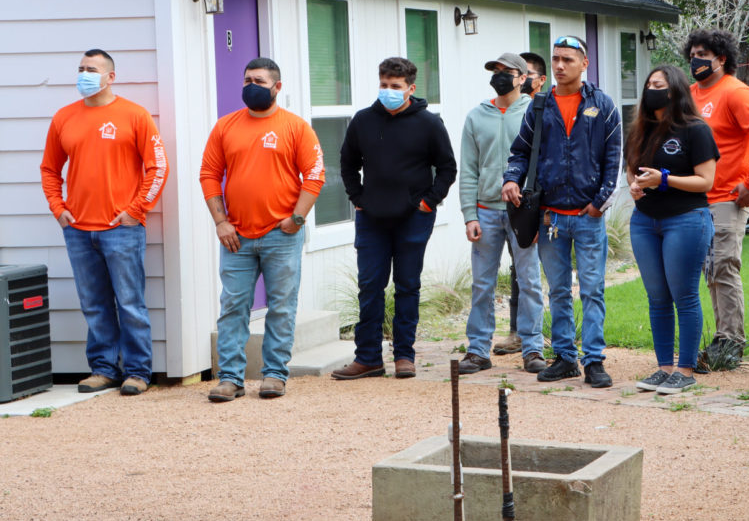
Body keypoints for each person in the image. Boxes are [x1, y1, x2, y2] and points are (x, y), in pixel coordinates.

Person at [40, 49, 170, 396]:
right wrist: (58, 208)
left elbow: (158, 167)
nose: (84, 74)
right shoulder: (64, 117)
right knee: (94, 303)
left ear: (110, 76)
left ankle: (138, 372)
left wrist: (137, 210)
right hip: (79, 230)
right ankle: (103, 369)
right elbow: (50, 169)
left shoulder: (134, 115)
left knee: (130, 302)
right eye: (81, 68)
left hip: (122, 229)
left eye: (92, 69)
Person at [199, 57, 324, 402]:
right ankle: (230, 378)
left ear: (277, 87)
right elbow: (209, 175)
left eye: (259, 80)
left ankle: (274, 375)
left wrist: (296, 219)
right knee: (233, 307)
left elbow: (314, 176)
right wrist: (221, 221)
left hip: (281, 234)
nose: (251, 86)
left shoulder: (296, 128)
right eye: (246, 80)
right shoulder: (225, 127)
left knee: (281, 306)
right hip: (235, 236)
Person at [502, 36, 621, 388]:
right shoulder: (539, 105)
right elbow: (520, 151)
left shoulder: (603, 105)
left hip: (588, 216)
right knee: (557, 290)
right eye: (555, 59)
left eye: (568, 59)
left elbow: (613, 158)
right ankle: (566, 357)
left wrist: (599, 203)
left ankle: (594, 361)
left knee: (592, 289)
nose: (559, 66)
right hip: (550, 215)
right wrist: (511, 179)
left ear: (585, 63)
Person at [333, 57, 456, 381]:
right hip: (371, 220)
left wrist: (428, 203)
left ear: (410, 89)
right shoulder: (362, 121)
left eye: (395, 87)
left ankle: (404, 356)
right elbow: (347, 164)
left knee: (407, 286)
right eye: (384, 85)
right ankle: (368, 358)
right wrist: (357, 198)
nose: (388, 91)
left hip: (413, 219)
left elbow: (447, 168)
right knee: (370, 287)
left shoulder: (428, 123)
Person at [626, 65, 718, 394]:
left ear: (675, 89)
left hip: (686, 219)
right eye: (649, 84)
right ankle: (664, 367)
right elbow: (632, 171)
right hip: (645, 221)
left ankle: (686, 369)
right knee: (657, 298)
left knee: (684, 296)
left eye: (659, 85)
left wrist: (664, 179)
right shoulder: (639, 128)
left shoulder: (695, 130)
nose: (652, 89)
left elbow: (706, 181)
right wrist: (635, 186)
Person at [458, 53, 546, 375]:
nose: (499, 76)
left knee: (530, 281)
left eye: (506, 72)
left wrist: (541, 215)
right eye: (495, 71)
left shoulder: (536, 113)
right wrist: (470, 215)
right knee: (482, 284)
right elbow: (468, 170)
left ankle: (533, 348)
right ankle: (478, 350)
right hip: (485, 211)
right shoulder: (476, 117)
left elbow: (543, 166)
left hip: (523, 211)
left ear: (523, 78)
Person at [684, 29, 749, 353]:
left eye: (703, 54)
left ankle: (731, 340)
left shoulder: (737, 92)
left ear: (721, 59)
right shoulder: (689, 94)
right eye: (692, 54)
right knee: (709, 270)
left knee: (723, 266)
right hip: (694, 196)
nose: (696, 60)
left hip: (728, 197)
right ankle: (720, 337)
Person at [491, 51, 550, 357]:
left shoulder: (540, 112)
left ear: (537, 81)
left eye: (528, 73)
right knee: (518, 273)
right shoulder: (492, 112)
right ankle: (518, 332)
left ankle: (537, 338)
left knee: (532, 275)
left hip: (534, 204)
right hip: (502, 204)